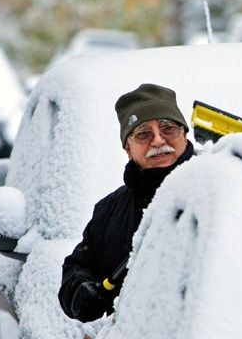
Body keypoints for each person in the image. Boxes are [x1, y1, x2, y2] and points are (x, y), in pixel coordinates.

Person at [58, 83, 194, 322]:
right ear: (128, 149)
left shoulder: (217, 191)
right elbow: (76, 268)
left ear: (184, 135)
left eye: (168, 128)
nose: (158, 140)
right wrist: (82, 290)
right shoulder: (108, 212)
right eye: (143, 134)